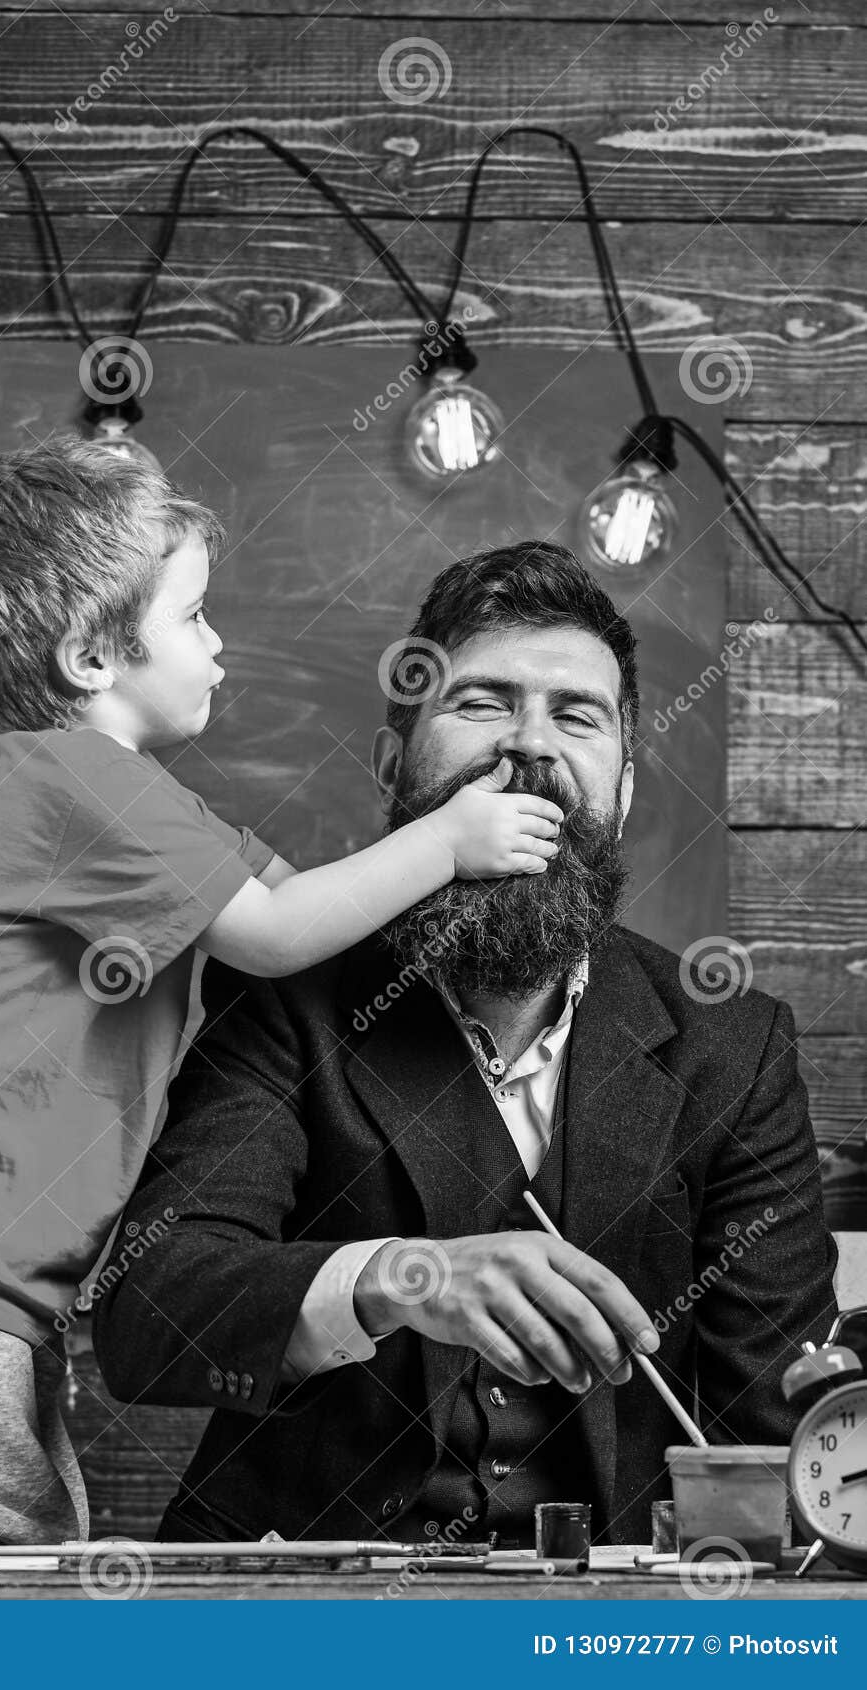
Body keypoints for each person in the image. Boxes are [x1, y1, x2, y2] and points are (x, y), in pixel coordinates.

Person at [0, 438, 565, 1550]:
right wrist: (447, 837)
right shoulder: (77, 784)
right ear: (93, 655)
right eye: (193, 615)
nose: (217, 643)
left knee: (24, 1540)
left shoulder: (127, 797)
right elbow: (280, 935)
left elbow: (299, 906)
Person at [92, 539, 840, 1548]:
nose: (528, 746)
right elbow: (149, 1314)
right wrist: (397, 1278)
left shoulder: (733, 1047)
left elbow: (783, 1420)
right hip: (301, 1596)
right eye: (481, 703)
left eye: (575, 715)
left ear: (620, 797)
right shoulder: (287, 994)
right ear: (392, 768)